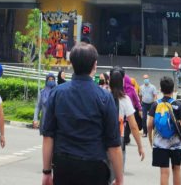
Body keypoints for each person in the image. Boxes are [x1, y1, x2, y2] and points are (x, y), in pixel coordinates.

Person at [40, 42, 123, 185]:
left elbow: (48, 136)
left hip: (63, 166)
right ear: (95, 65)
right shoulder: (104, 97)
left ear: (72, 64)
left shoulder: (57, 93)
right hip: (94, 166)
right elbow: (114, 143)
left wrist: (47, 172)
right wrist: (120, 179)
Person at [147, 76, 181, 185]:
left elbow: (149, 125)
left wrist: (150, 139)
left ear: (160, 90)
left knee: (164, 172)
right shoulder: (177, 105)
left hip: (159, 143)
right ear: (173, 90)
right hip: (176, 143)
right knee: (176, 169)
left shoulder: (155, 105)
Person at [109, 68, 144, 184]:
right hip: (119, 139)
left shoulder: (103, 95)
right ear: (122, 82)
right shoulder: (125, 99)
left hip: (101, 140)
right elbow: (133, 126)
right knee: (117, 178)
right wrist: (140, 146)